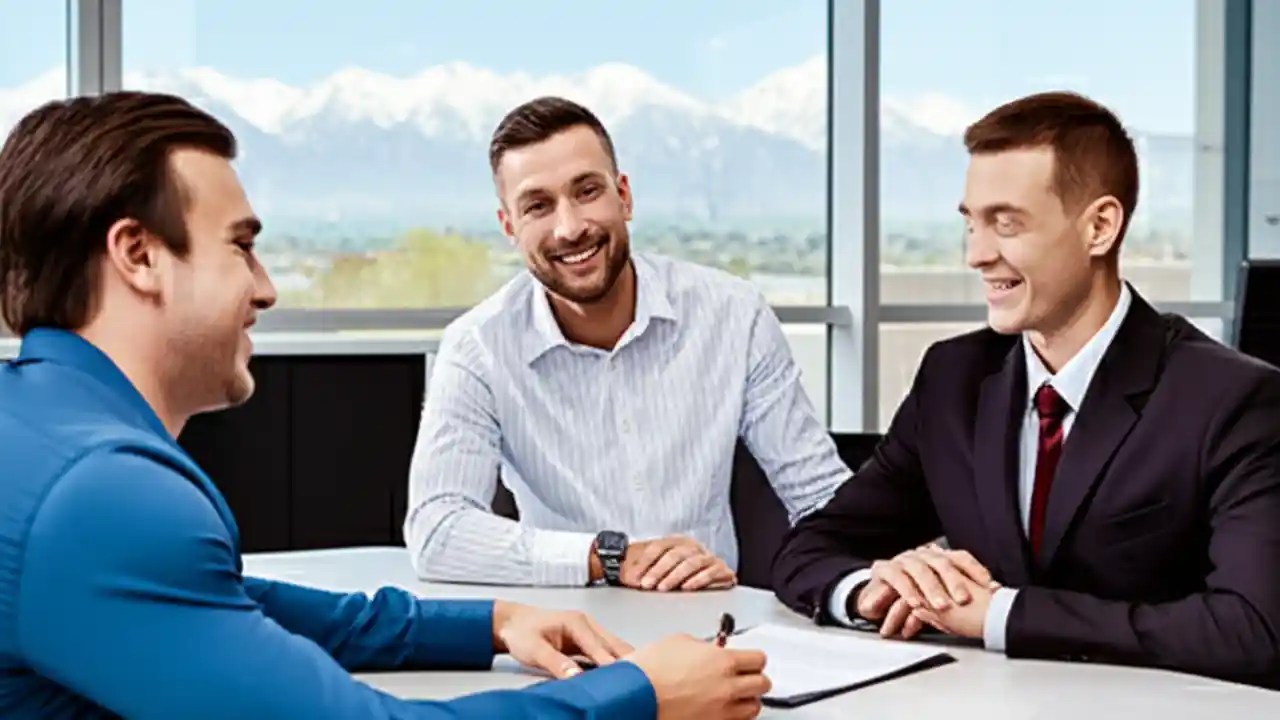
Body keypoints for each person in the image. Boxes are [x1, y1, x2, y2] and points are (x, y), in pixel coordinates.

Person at [0, 91, 772, 719]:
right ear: (138, 256)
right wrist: (640, 695)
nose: (264, 287)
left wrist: (492, 624)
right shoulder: (104, 496)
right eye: (240, 246)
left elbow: (224, 598)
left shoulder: (37, 430)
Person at [771, 91, 1280, 689]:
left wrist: (1000, 615)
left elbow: (1254, 629)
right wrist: (873, 590)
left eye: (1005, 224)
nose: (976, 254)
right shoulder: (953, 380)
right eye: (970, 222)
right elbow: (809, 549)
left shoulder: (1233, 400)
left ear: (1099, 227)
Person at [404, 96, 849, 590]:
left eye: (587, 191)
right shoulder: (477, 348)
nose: (570, 227)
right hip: (565, 640)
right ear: (510, 227)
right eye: (538, 206)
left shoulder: (733, 314)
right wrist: (609, 557)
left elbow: (820, 495)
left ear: (624, 196)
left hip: (713, 628)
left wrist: (902, 568)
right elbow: (437, 531)